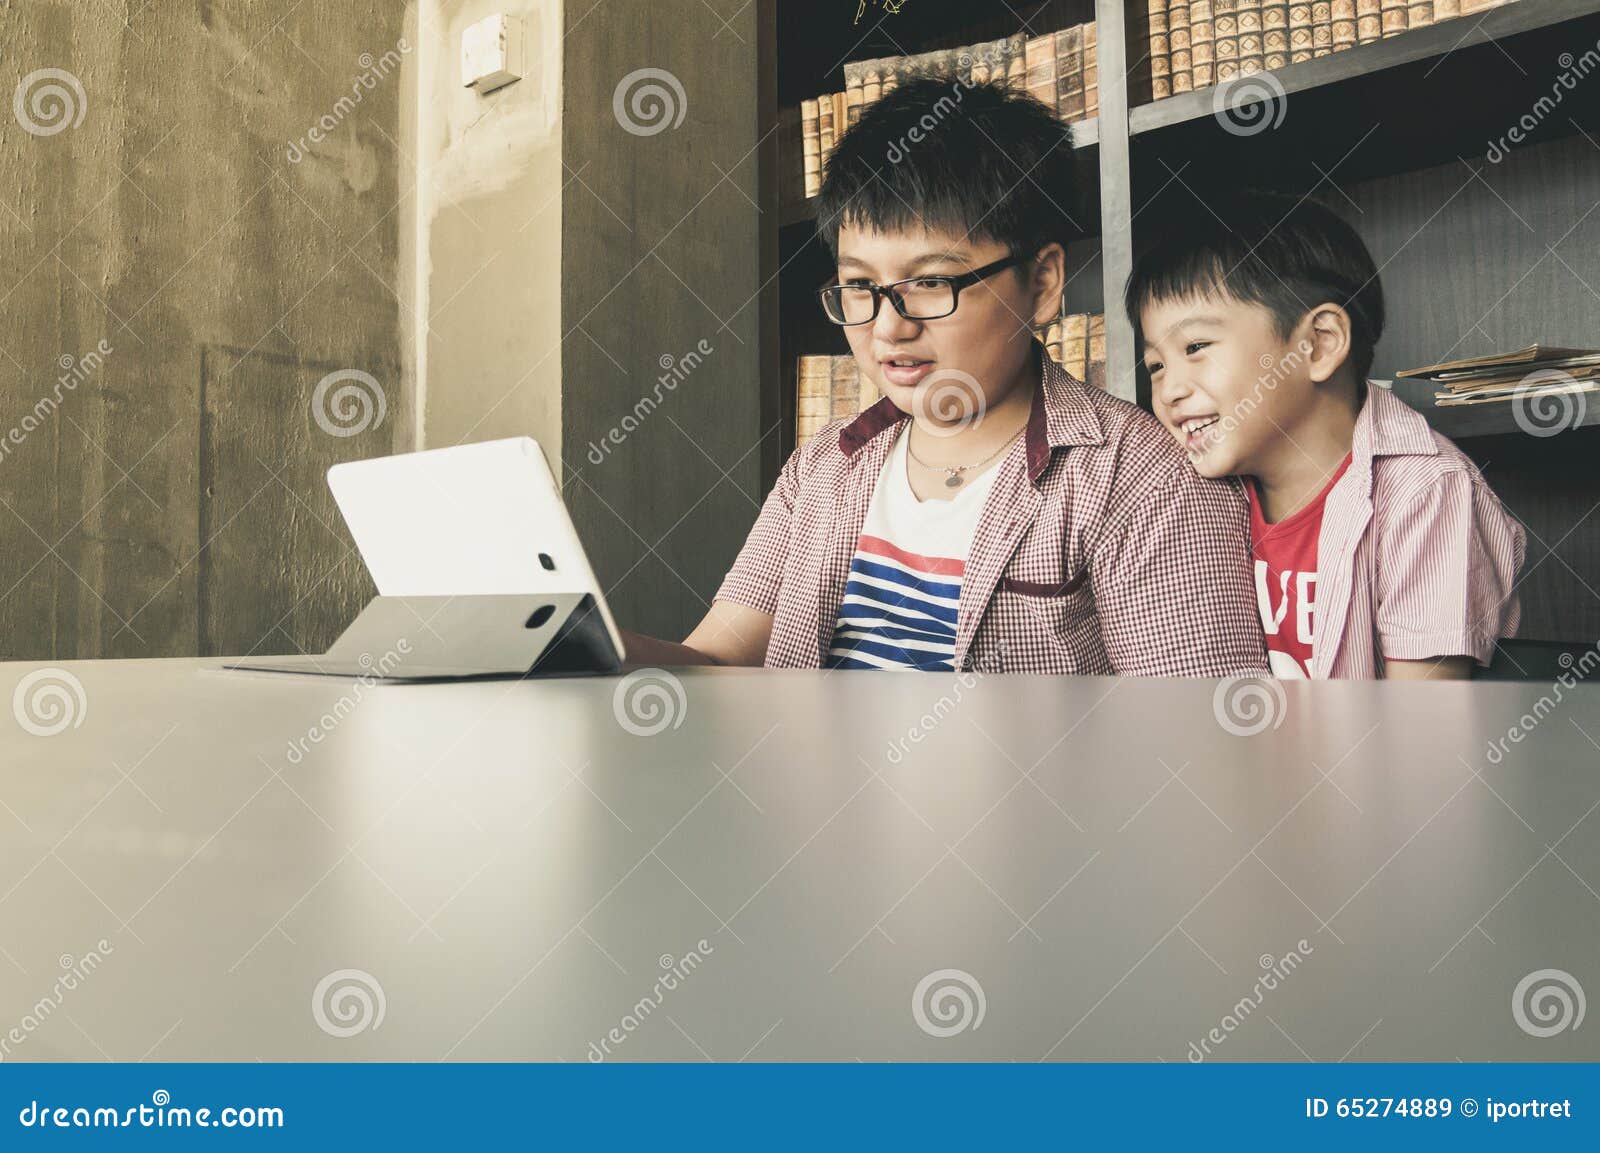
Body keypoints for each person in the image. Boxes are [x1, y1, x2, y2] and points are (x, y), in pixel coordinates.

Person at [620, 78, 1265, 674]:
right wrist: (597, 651)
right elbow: (718, 660)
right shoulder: (819, 471)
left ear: (1041, 284)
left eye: (930, 282)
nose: (887, 328)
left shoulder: (1142, 477)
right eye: (859, 286)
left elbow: (1194, 743)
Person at [1126, 189, 1524, 678]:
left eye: (1196, 346)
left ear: (1317, 345)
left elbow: (1424, 737)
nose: (1168, 391)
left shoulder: (1426, 494)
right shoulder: (1197, 494)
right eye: (1156, 365)